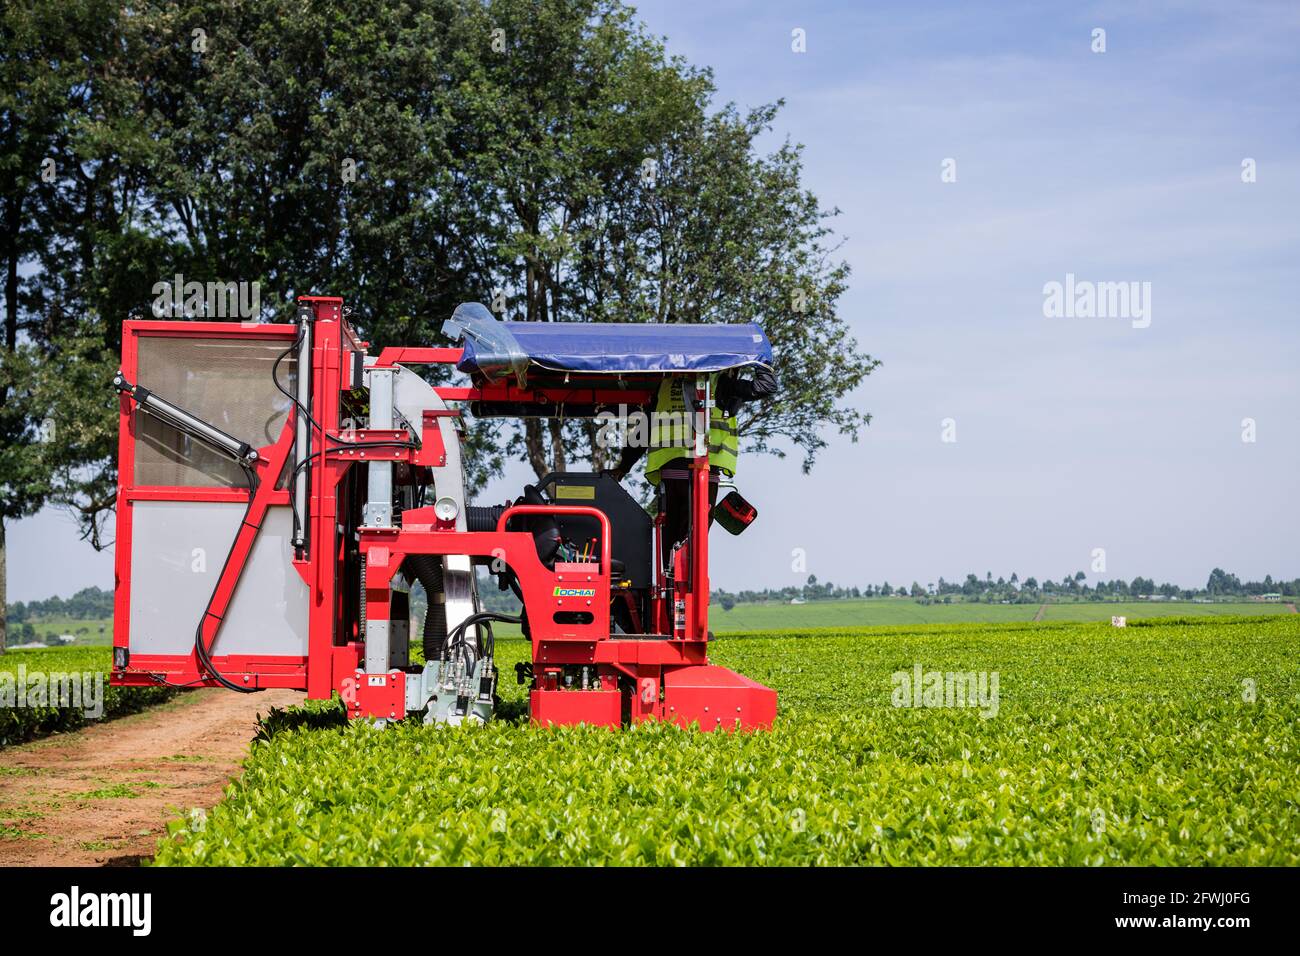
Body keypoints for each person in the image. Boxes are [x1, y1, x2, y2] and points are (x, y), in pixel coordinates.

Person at [610, 365, 776, 563]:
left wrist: (623, 468)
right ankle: (683, 590)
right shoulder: (718, 383)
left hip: (671, 474)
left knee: (670, 537)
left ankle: (670, 586)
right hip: (703, 474)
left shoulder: (666, 386)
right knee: (692, 543)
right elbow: (766, 386)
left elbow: (643, 430)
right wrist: (757, 359)